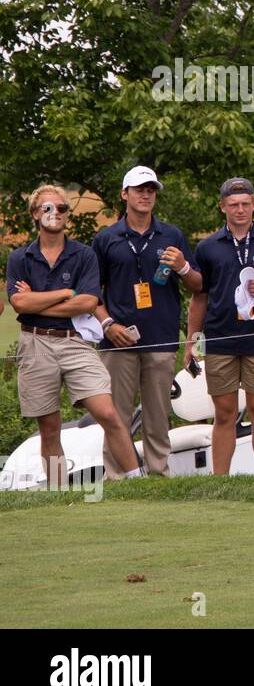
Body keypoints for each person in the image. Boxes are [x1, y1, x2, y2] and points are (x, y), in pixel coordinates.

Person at [6, 185, 139, 485]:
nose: (55, 214)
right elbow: (19, 303)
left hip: (73, 341)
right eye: (47, 208)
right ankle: (59, 492)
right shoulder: (19, 258)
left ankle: (137, 480)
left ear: (67, 214)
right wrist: (66, 293)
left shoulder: (84, 255)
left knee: (108, 413)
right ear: (35, 214)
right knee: (50, 427)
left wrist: (38, 300)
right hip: (35, 343)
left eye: (61, 208)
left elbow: (88, 302)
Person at [91, 166, 202, 478]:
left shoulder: (171, 235)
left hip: (161, 338)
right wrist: (108, 325)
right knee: (117, 417)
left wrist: (182, 267)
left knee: (157, 416)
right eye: (139, 189)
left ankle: (158, 474)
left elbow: (197, 285)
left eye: (151, 189)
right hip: (117, 341)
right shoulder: (106, 239)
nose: (145, 194)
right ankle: (118, 477)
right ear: (124, 194)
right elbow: (90, 294)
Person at [186, 178, 254, 475]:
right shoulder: (207, 247)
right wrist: (191, 342)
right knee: (224, 414)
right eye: (233, 204)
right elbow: (199, 297)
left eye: (246, 204)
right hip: (220, 339)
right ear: (222, 207)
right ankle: (220, 480)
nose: (240, 210)